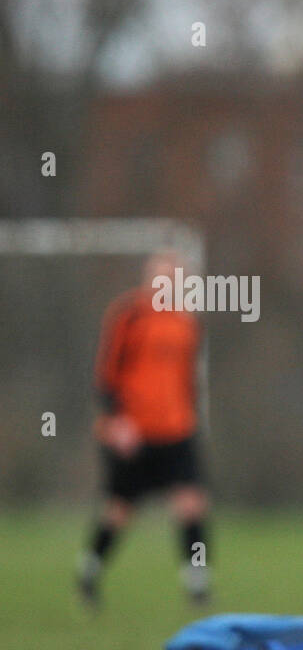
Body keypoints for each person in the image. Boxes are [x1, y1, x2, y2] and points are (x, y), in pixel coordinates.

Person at [78, 250, 212, 607]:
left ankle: (197, 582)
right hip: (134, 432)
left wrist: (192, 417)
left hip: (177, 430)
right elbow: (107, 373)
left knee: (192, 506)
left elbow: (187, 380)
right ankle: (89, 571)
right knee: (119, 509)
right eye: (159, 277)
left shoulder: (187, 322)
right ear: (147, 279)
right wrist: (117, 420)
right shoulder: (129, 314)